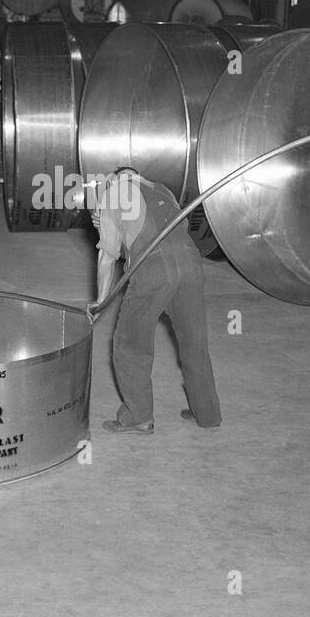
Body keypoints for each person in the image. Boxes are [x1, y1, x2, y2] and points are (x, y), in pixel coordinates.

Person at [83, 167, 222, 435]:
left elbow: (107, 256)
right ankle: (207, 414)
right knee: (194, 343)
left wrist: (100, 300)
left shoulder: (114, 193)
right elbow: (170, 232)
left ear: (115, 178)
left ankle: (138, 417)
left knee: (130, 345)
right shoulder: (163, 190)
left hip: (153, 270)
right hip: (191, 264)